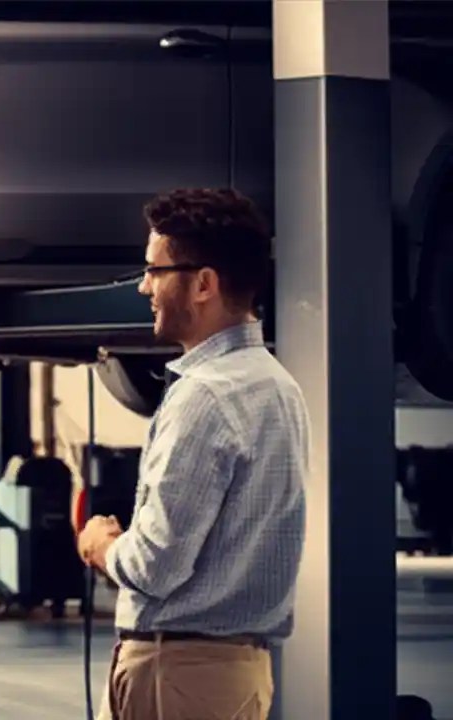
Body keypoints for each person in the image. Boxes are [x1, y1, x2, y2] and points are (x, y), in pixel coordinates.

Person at [77, 188, 309, 720]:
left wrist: (100, 544)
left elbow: (155, 566)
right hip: (235, 672)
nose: (143, 287)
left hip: (179, 673)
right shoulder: (275, 385)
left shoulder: (206, 395)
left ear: (203, 283)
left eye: (154, 271)